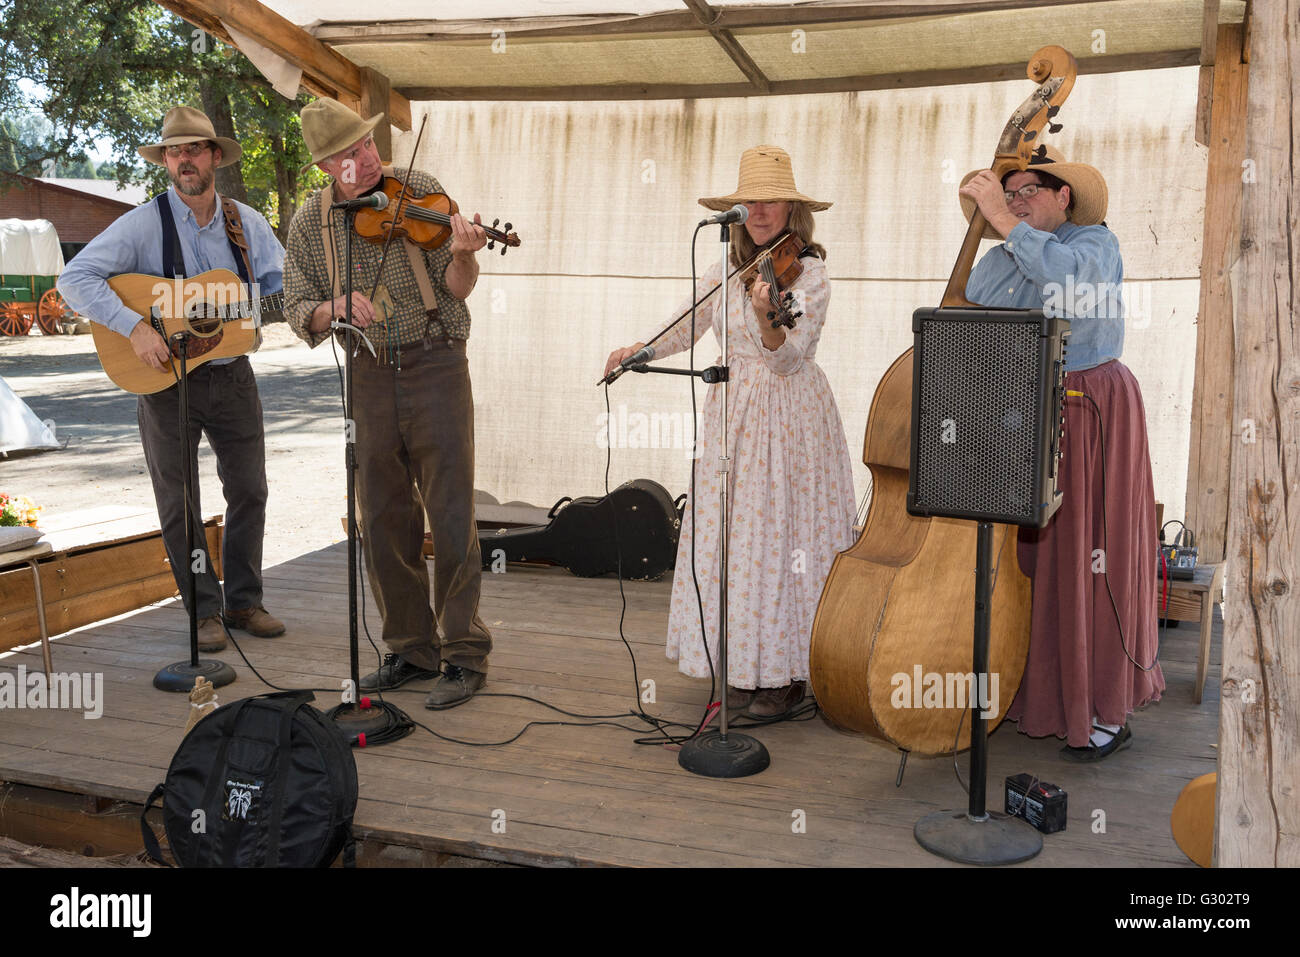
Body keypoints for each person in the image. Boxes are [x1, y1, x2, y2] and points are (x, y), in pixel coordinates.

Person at [604, 145, 857, 718]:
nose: (760, 209)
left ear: (792, 208)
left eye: (772, 199)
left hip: (787, 416)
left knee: (782, 540)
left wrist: (770, 316)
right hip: (731, 416)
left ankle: (788, 673)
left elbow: (787, 358)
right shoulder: (726, 268)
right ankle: (742, 663)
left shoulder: (809, 272)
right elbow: (688, 325)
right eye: (751, 199)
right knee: (737, 543)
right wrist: (637, 351)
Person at [281, 98, 492, 709]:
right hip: (368, 372)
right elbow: (297, 308)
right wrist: (333, 307)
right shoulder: (309, 224)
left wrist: (464, 253)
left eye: (368, 145)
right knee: (381, 517)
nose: (367, 160)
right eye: (349, 155)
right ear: (325, 165)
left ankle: (463, 653)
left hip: (436, 359)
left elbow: (457, 289)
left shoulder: (418, 187)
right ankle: (409, 648)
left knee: (451, 512)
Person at [958, 145, 1164, 760]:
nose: (1015, 202)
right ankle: (1039, 694)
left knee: (1091, 555)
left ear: (1062, 195)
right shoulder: (1019, 249)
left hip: (1091, 409)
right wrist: (1006, 231)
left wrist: (1007, 221)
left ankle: (1100, 705)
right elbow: (975, 296)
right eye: (1008, 192)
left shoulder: (1093, 242)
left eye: (1027, 191)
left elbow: (1072, 284)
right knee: (1036, 562)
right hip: (1032, 408)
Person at [58, 106, 286, 652]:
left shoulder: (245, 223)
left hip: (232, 377)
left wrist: (303, 302)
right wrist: (134, 325)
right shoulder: (142, 223)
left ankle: (244, 601)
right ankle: (202, 609)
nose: (185, 159)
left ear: (214, 157)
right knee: (179, 499)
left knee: (250, 489)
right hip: (165, 382)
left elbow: (280, 289)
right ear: (165, 161)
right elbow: (74, 277)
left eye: (195, 149)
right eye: (175, 151)